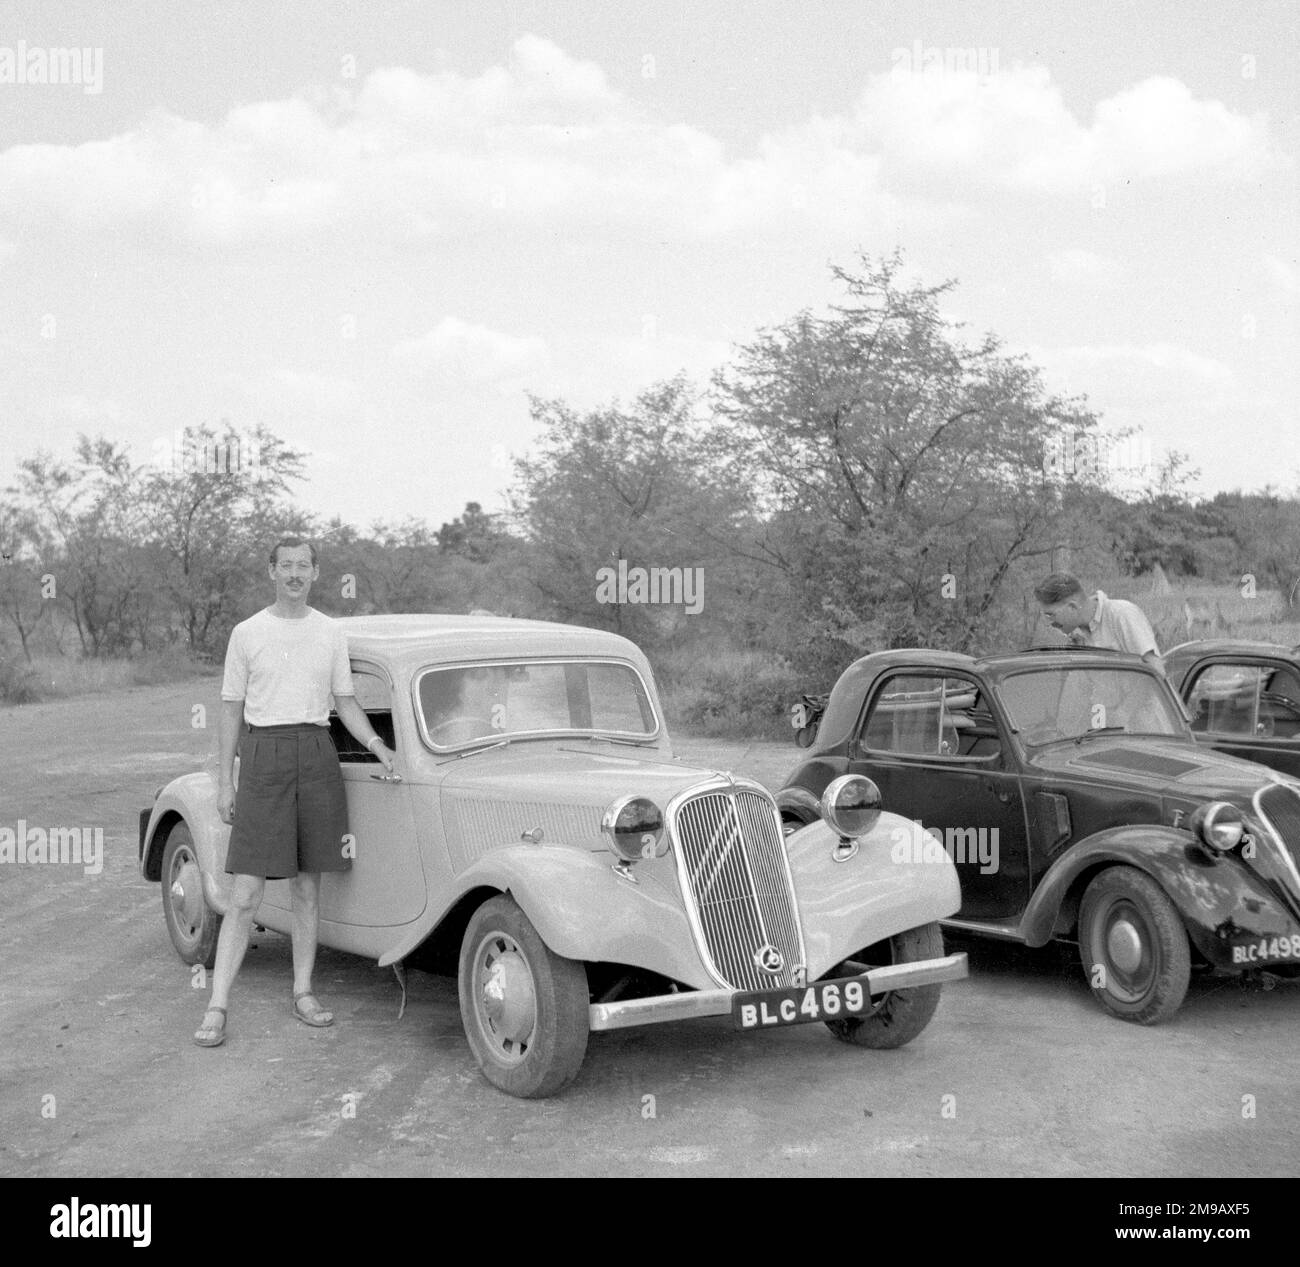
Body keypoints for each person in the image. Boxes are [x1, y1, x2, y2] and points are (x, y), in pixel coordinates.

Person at [193, 538, 395, 1048]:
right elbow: (230, 710)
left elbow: (345, 701)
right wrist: (225, 781)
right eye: (286, 566)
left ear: (316, 572)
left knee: (307, 887)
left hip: (316, 753)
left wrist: (377, 745)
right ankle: (217, 1005)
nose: (295, 574)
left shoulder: (330, 632)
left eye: (303, 566)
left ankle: (303, 991)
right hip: (262, 758)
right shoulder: (247, 633)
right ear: (271, 572)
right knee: (246, 893)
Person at [1033, 572, 1164, 673]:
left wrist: (1124, 709)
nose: (1050, 623)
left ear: (1072, 607)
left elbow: (1155, 670)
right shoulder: (1078, 638)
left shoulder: (1121, 614)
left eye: (1051, 615)